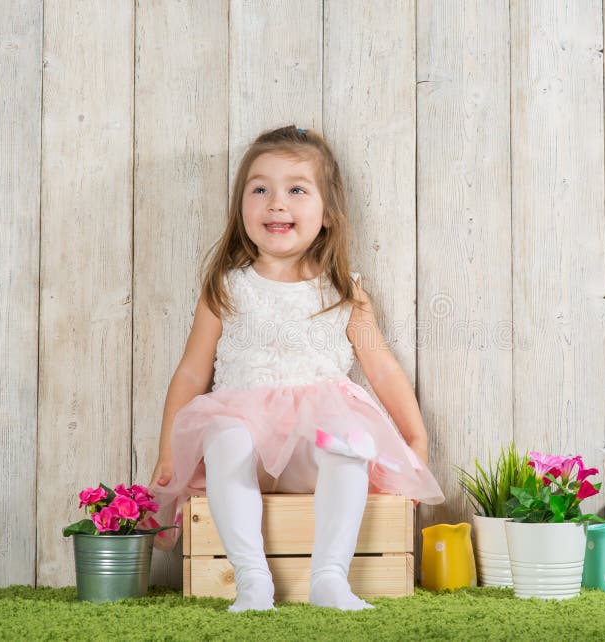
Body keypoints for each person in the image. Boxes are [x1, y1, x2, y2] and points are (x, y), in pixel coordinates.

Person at [139, 125, 445, 612]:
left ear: (326, 214)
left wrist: (415, 437)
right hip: (247, 456)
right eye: (260, 189)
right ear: (242, 207)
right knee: (227, 435)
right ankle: (252, 578)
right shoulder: (226, 286)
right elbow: (192, 374)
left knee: (346, 437)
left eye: (296, 190)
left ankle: (329, 577)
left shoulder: (344, 291)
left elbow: (381, 368)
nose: (276, 203)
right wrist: (167, 450)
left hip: (309, 455)